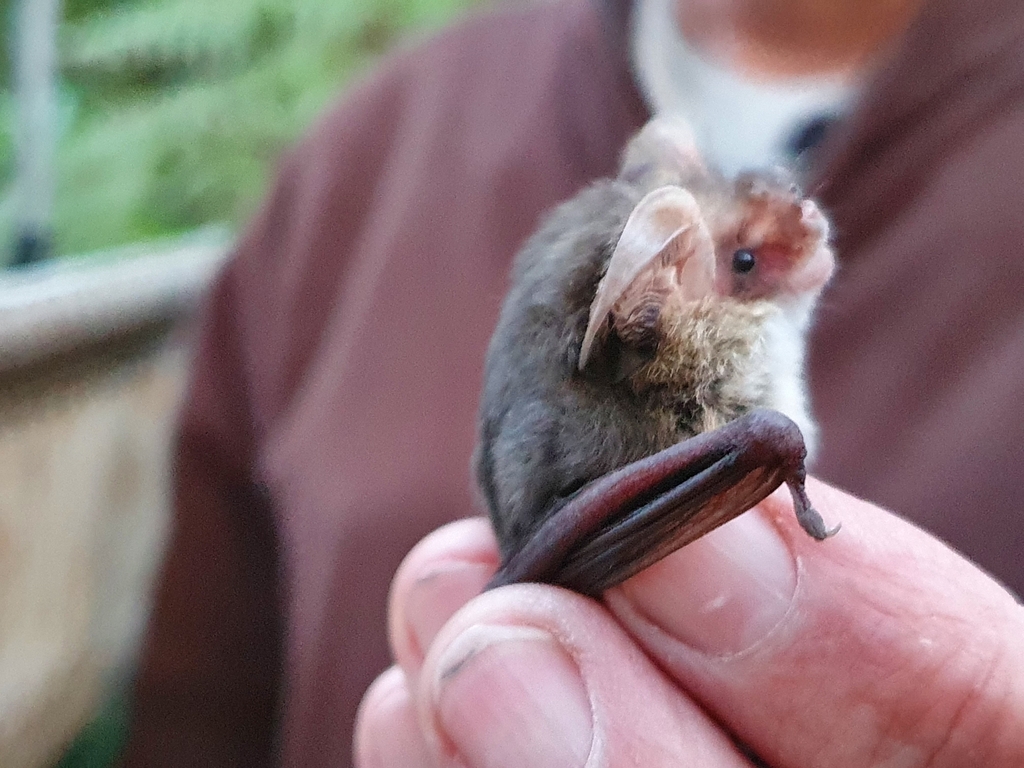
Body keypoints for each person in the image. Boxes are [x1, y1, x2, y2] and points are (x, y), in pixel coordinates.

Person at [120, 0, 1024, 765]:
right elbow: (196, 713)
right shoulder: (356, 170)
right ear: (652, 321)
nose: (808, 235)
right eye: (744, 261)